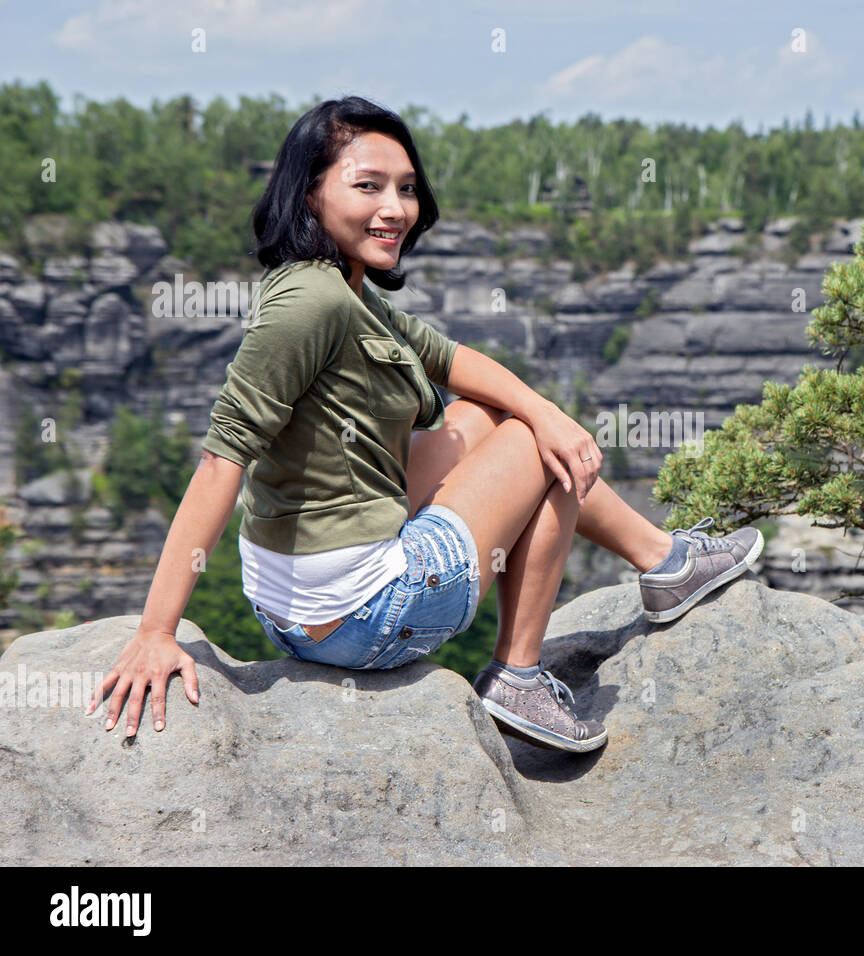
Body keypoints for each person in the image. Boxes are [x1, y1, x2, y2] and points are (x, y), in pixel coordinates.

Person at [87, 96, 763, 753]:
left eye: (406, 188)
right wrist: (156, 631)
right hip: (357, 616)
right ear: (309, 194)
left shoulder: (338, 286)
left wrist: (545, 409)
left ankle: (660, 559)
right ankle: (520, 676)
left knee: (493, 416)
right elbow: (221, 459)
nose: (395, 208)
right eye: (368, 186)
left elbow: (447, 357)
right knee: (535, 448)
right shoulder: (311, 304)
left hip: (300, 602)